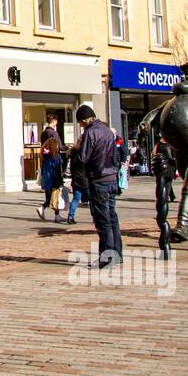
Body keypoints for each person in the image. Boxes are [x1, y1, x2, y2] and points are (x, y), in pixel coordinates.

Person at [75, 105, 121, 267]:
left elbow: (83, 157)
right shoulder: (108, 131)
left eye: (80, 122)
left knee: (103, 220)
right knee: (112, 216)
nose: (80, 126)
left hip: (99, 178)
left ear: (84, 120)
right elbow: (116, 155)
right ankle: (117, 253)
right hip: (111, 178)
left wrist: (75, 149)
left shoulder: (90, 133)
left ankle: (107, 257)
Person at [38, 136, 64, 221]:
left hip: (46, 180)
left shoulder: (44, 156)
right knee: (54, 198)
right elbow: (58, 168)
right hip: (54, 180)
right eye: (56, 145)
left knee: (50, 198)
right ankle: (43, 208)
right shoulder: (55, 156)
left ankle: (56, 215)